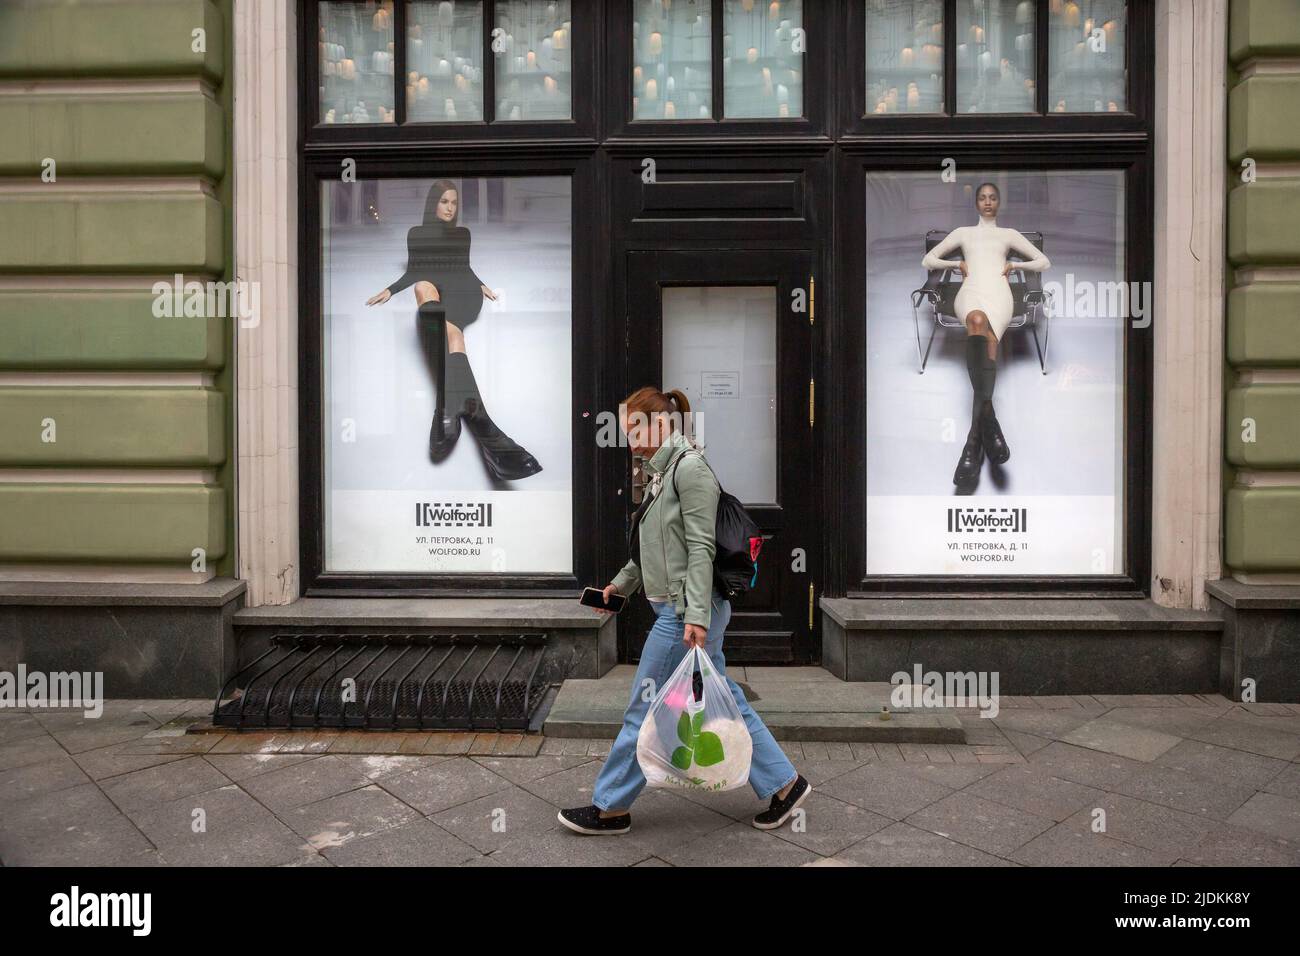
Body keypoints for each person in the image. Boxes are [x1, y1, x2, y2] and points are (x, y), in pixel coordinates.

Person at [558, 386, 810, 835]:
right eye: (625, 427)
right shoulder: (659, 473)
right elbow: (650, 552)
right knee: (725, 704)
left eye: (634, 426)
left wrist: (695, 616)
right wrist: (620, 586)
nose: (627, 436)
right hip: (678, 611)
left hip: (684, 615)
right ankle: (784, 785)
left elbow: (701, 548)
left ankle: (610, 807)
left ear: (660, 424)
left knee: (645, 706)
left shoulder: (689, 469)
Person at [366, 179, 541, 482]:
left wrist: (481, 284)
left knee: (452, 330)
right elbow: (415, 270)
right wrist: (391, 290)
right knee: (427, 294)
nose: (449, 208)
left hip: (463, 293)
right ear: (433, 203)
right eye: (444, 201)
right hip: (434, 289)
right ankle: (482, 425)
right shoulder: (417, 234)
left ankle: (445, 410)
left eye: (454, 203)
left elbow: (465, 267)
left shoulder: (463, 234)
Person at [922, 182, 1050, 488]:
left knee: (989, 343)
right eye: (983, 197)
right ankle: (987, 428)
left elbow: (1043, 262)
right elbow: (929, 261)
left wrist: (1015, 264)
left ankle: (974, 440)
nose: (988, 202)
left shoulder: (1008, 235)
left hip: (999, 294)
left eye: (993, 198)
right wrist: (956, 264)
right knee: (977, 319)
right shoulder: (963, 233)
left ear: (999, 202)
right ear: (976, 202)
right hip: (970, 292)